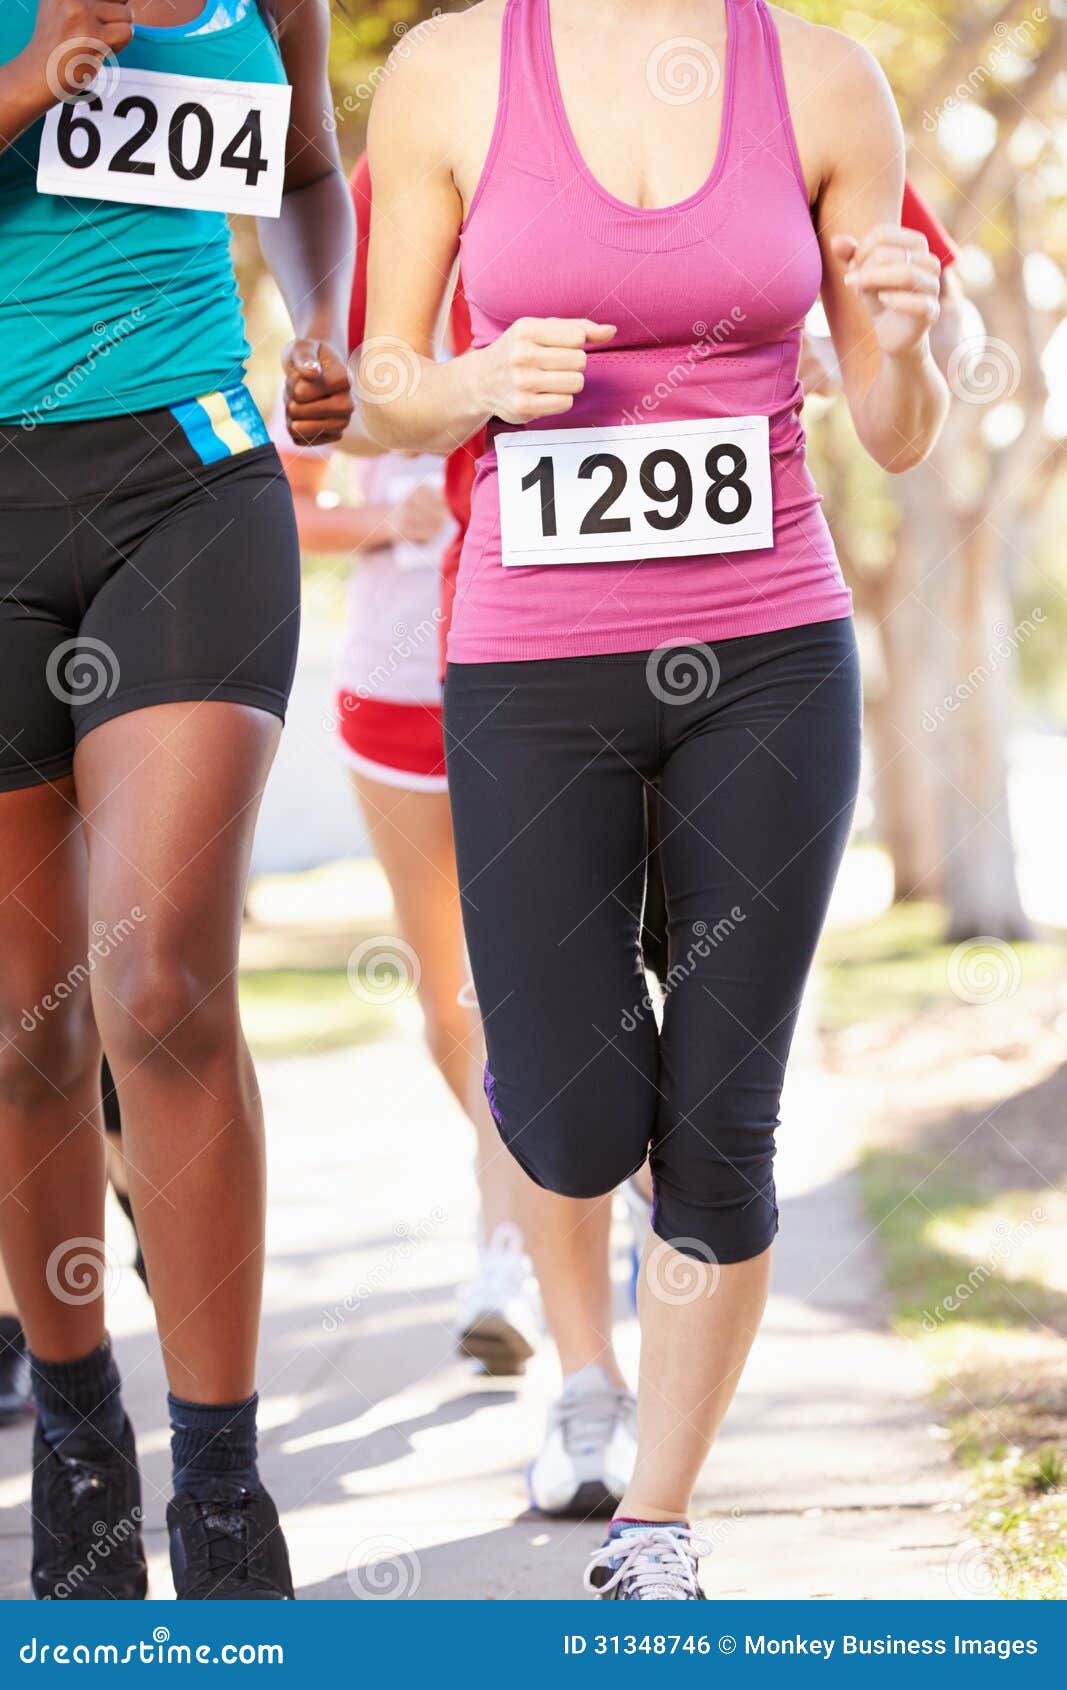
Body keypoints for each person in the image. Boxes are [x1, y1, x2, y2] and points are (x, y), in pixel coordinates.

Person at [362, 0, 947, 1599]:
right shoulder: (451, 72)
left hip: (770, 656)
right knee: (571, 1115)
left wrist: (912, 337)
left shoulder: (825, 77)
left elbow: (891, 431)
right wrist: (475, 375)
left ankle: (658, 1523)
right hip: (531, 666)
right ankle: (588, 1327)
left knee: (722, 1119)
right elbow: (383, 384)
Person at [0, 0, 353, 1601]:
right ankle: (80, 1447)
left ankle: (219, 1488)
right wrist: (30, 78)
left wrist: (321, 318)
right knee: (27, 1023)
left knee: (159, 981)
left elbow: (305, 170)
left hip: (194, 479)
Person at [281, 163, 637, 1504]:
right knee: (452, 1000)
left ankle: (516, 1246)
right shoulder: (359, 242)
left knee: (545, 989)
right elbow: (289, 485)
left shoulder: (593, 197)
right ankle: (531, 1215)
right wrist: (395, 508)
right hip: (398, 679)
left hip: (555, 661)